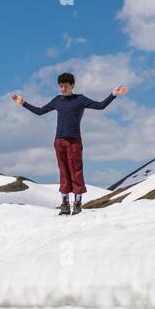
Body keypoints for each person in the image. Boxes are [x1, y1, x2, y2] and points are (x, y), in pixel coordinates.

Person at [11, 73, 128, 215]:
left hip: (74, 141)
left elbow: (100, 106)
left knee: (76, 172)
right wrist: (23, 103)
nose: (62, 89)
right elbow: (40, 111)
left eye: (65, 86)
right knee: (63, 172)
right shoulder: (57, 100)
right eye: (60, 86)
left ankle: (78, 203)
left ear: (72, 85)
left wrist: (113, 94)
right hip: (59, 141)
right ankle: (65, 204)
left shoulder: (80, 99)